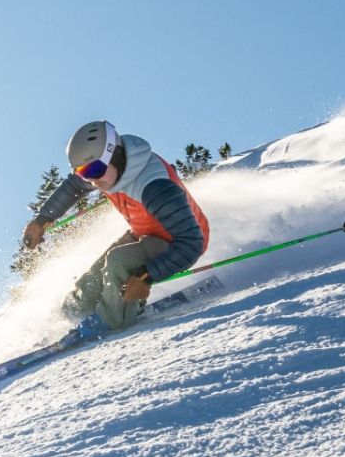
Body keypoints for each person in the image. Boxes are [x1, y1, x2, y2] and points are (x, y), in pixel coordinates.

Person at [19, 120, 211, 332]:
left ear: (115, 154)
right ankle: (68, 317)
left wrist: (146, 276)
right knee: (93, 276)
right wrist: (42, 220)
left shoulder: (154, 186)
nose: (91, 180)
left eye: (94, 169)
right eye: (83, 172)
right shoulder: (106, 171)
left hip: (178, 241)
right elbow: (74, 185)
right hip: (143, 233)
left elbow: (192, 243)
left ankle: (112, 321)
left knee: (117, 262)